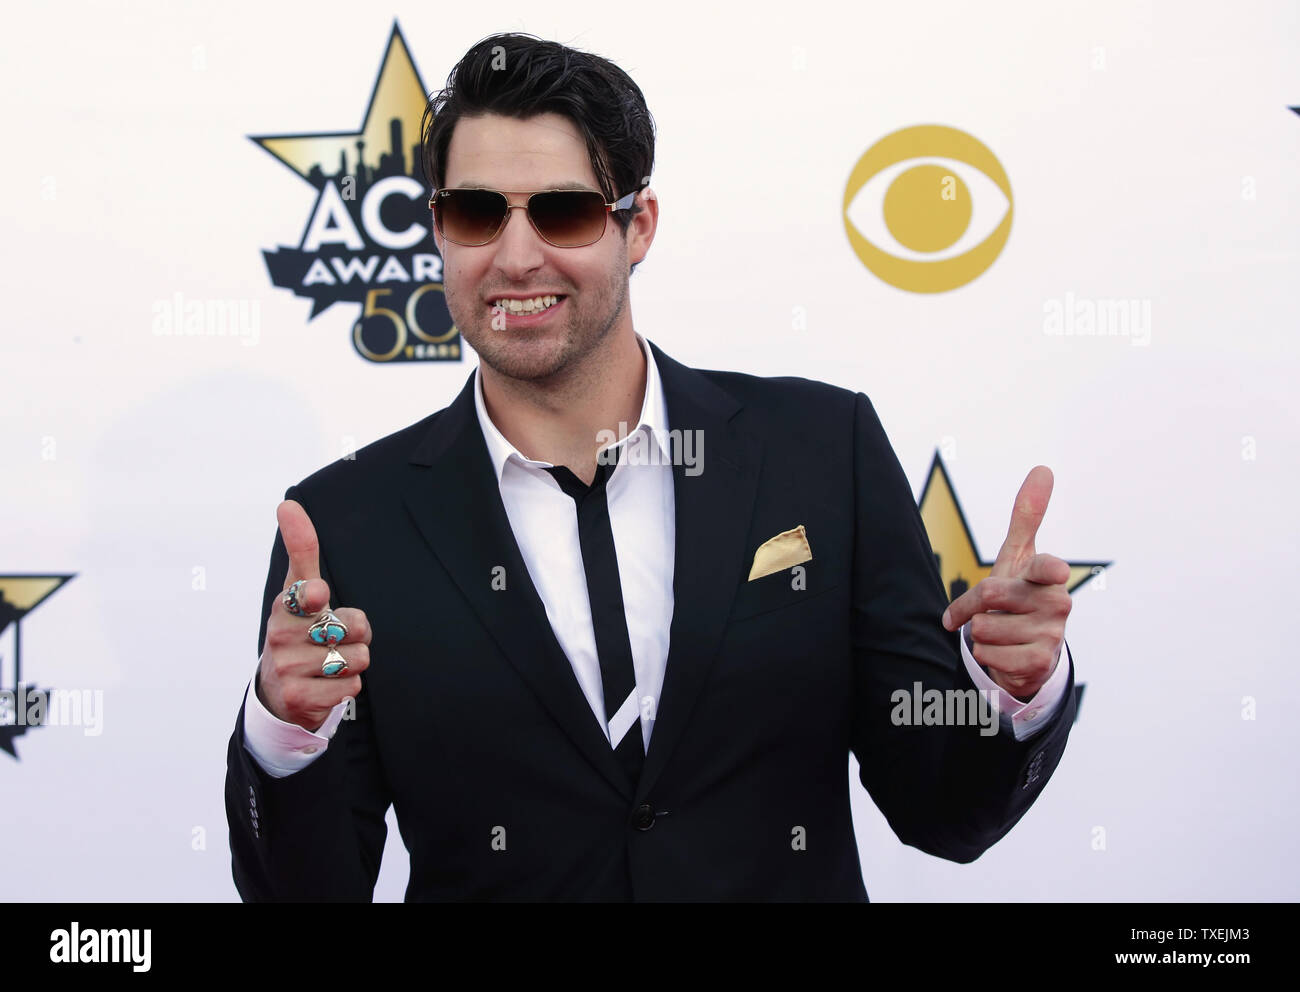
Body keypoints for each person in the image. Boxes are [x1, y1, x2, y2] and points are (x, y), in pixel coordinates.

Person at [224, 32, 1077, 901]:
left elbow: (942, 810)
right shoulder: (347, 527)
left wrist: (1011, 691)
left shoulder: (821, 450)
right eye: (478, 213)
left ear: (639, 226)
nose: (516, 258)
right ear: (440, 228)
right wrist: (285, 734)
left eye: (564, 213)